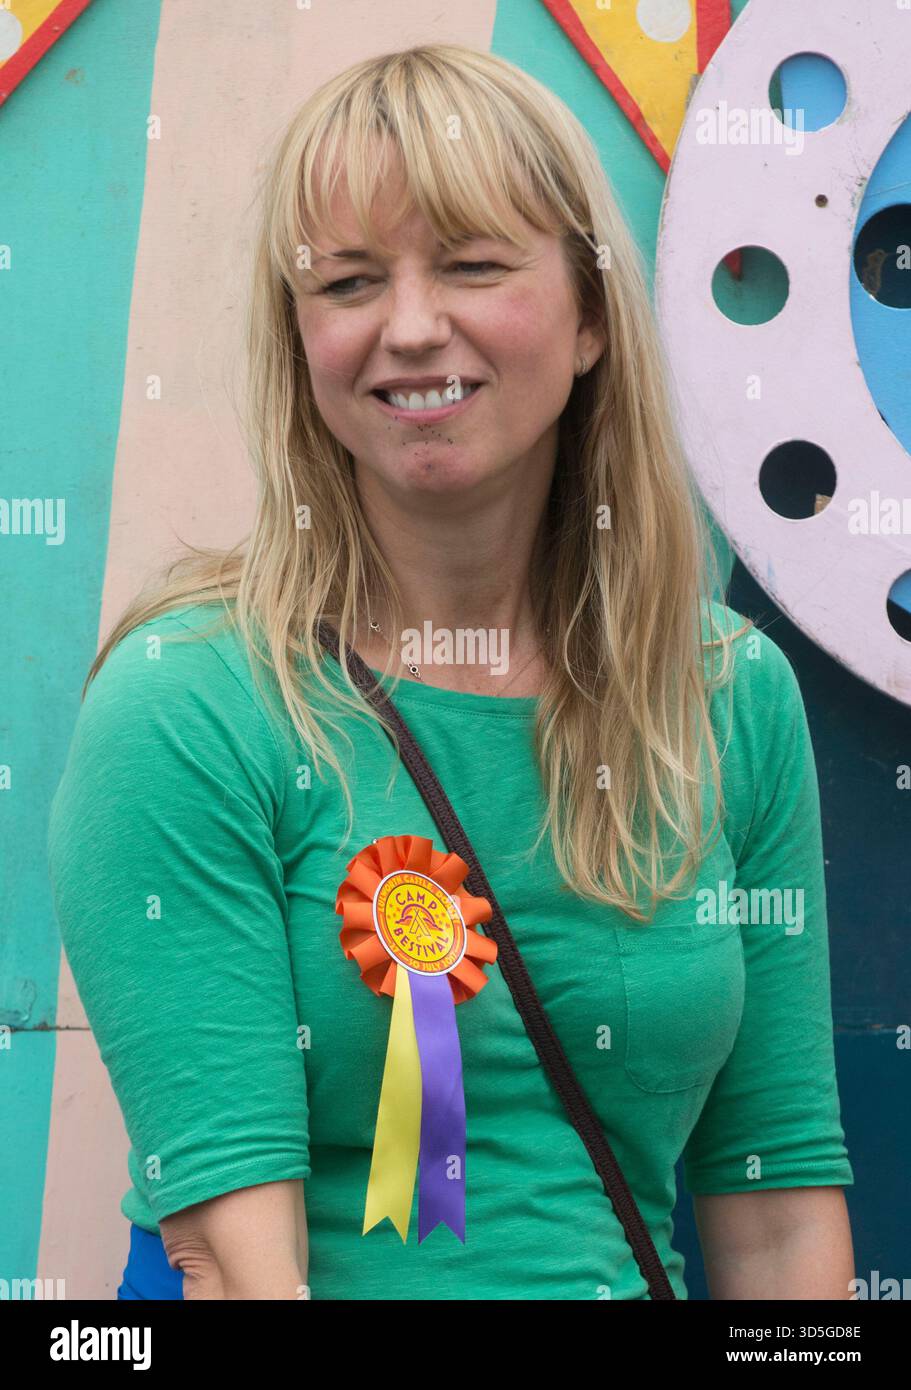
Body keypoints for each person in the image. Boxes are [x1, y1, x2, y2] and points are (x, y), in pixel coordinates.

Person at [47, 43, 854, 1301]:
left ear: (590, 317)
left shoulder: (729, 695)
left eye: (473, 264)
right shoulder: (187, 700)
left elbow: (776, 1212)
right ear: (300, 338)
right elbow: (231, 1265)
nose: (411, 327)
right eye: (350, 281)